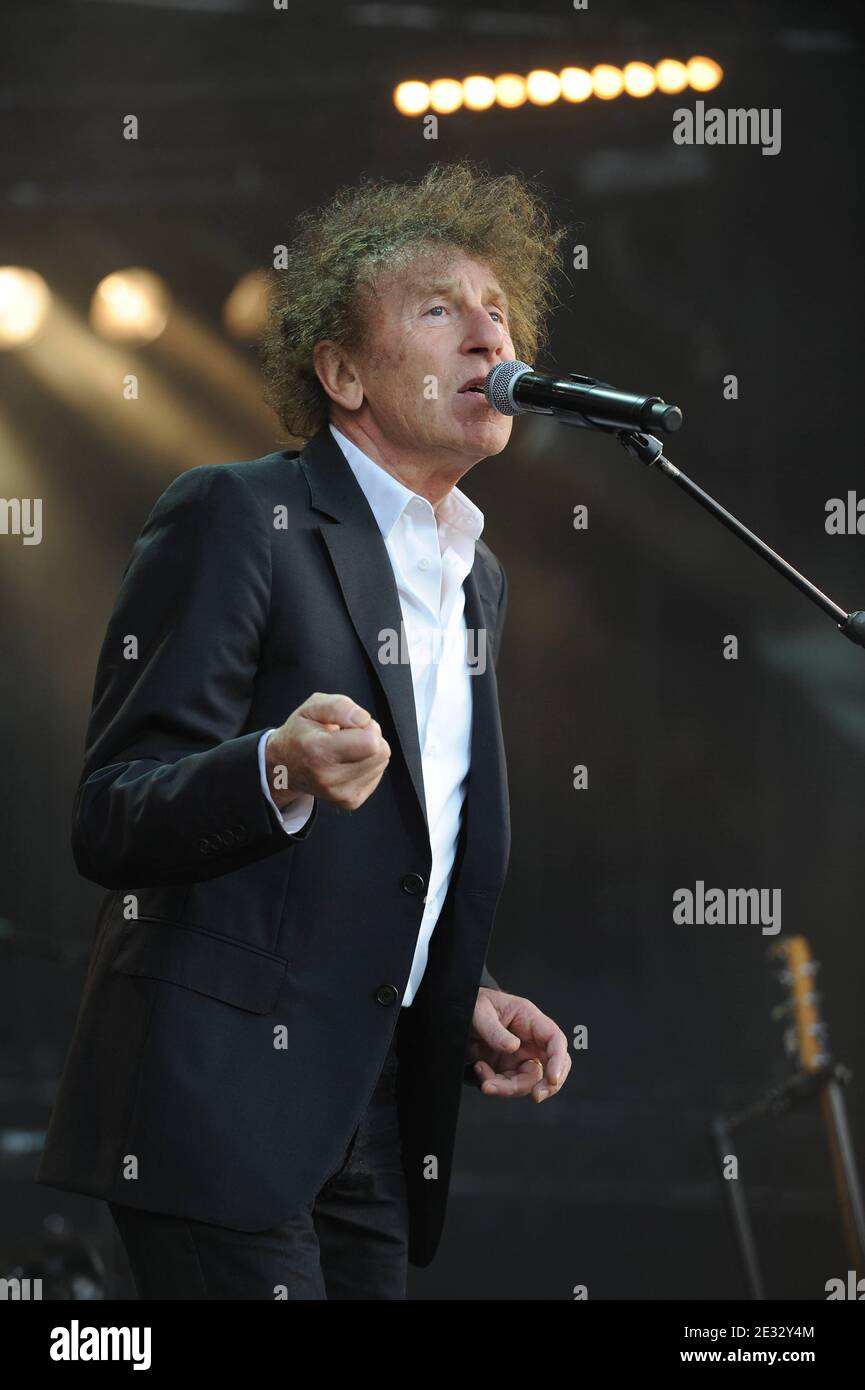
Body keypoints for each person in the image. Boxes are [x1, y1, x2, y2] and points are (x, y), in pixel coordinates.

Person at [36, 160, 572, 1299]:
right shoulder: (238, 515)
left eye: (498, 309)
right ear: (341, 372)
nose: (489, 335)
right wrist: (272, 767)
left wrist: (452, 989)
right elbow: (111, 812)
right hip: (218, 1103)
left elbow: (396, 853)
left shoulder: (475, 577)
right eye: (439, 310)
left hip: (374, 1109)